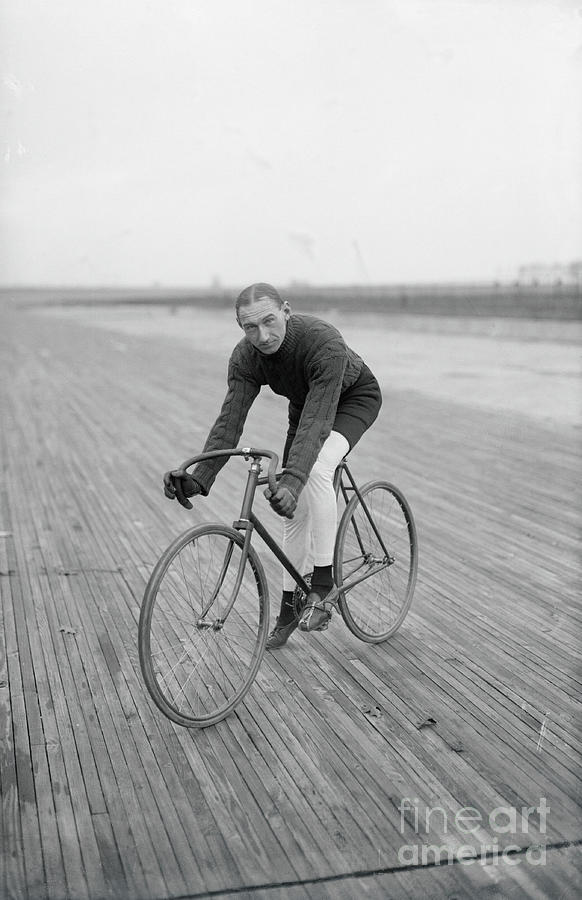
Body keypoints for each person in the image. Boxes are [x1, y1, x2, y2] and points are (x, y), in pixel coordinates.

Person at [163, 283, 382, 648]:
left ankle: (323, 585)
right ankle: (288, 611)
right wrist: (198, 478)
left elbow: (318, 425)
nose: (262, 335)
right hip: (307, 405)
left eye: (269, 321)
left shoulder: (322, 341)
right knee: (292, 513)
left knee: (316, 469)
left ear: (286, 311)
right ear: (241, 328)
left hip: (351, 398)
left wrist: (294, 480)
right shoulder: (245, 357)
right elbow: (229, 422)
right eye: (250, 327)